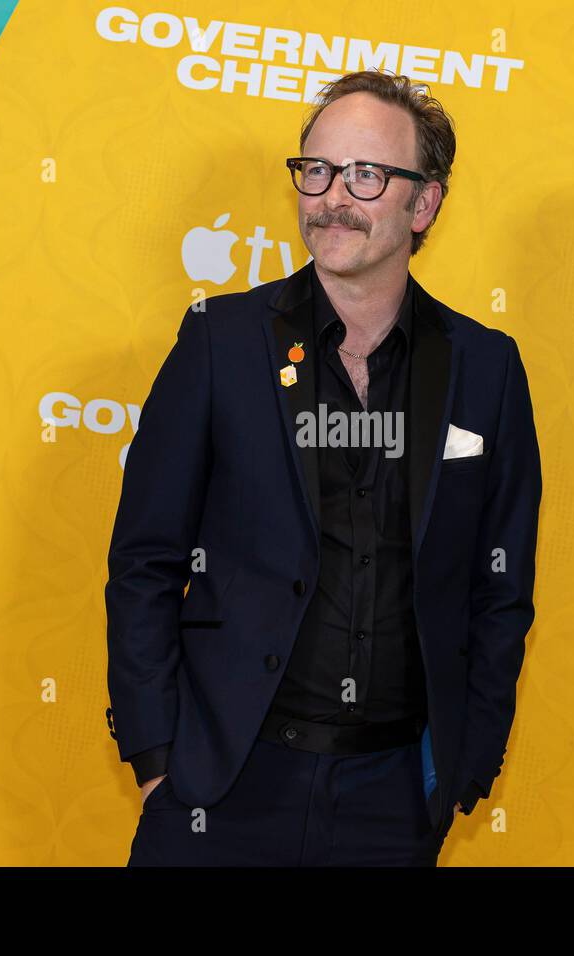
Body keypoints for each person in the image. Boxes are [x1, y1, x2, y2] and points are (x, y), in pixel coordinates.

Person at [105, 69, 541, 866]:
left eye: (367, 174)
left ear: (425, 203)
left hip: (392, 799)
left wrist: (465, 767)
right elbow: (144, 559)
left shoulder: (486, 369)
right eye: (318, 169)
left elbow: (499, 589)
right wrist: (156, 758)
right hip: (220, 781)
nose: (333, 196)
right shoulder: (220, 342)